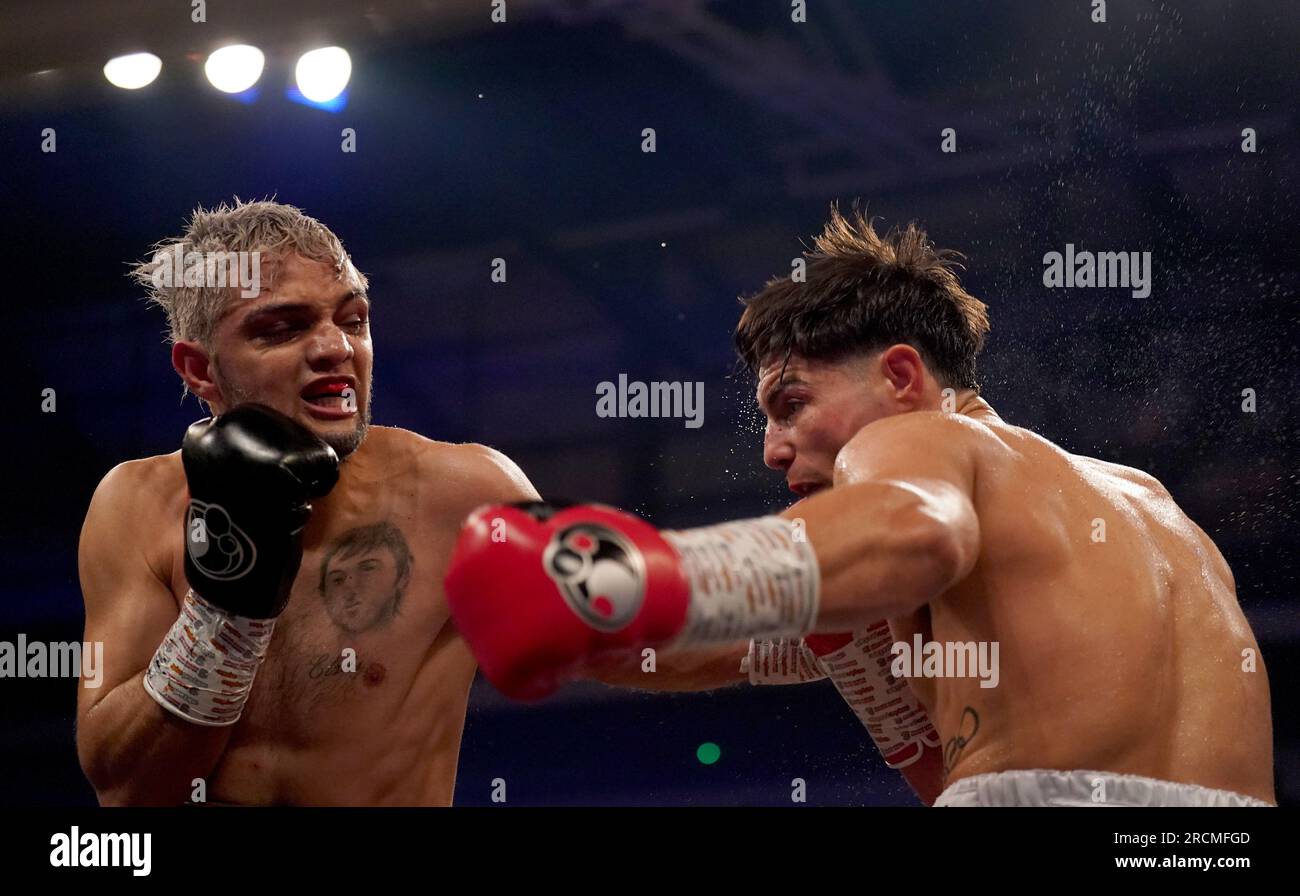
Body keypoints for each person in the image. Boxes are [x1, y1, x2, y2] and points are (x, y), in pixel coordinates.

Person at [446, 205, 1276, 807]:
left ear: (902, 378)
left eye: (792, 402)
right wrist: (576, 631)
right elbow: (732, 642)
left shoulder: (927, 441)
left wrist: (625, 578)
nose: (773, 449)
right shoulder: (1153, 511)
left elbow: (916, 530)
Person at [76, 200, 538, 806]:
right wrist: (228, 605)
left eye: (352, 320)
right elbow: (124, 783)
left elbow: (644, 627)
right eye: (282, 328)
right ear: (200, 369)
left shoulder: (463, 494)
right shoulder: (133, 505)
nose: (335, 349)